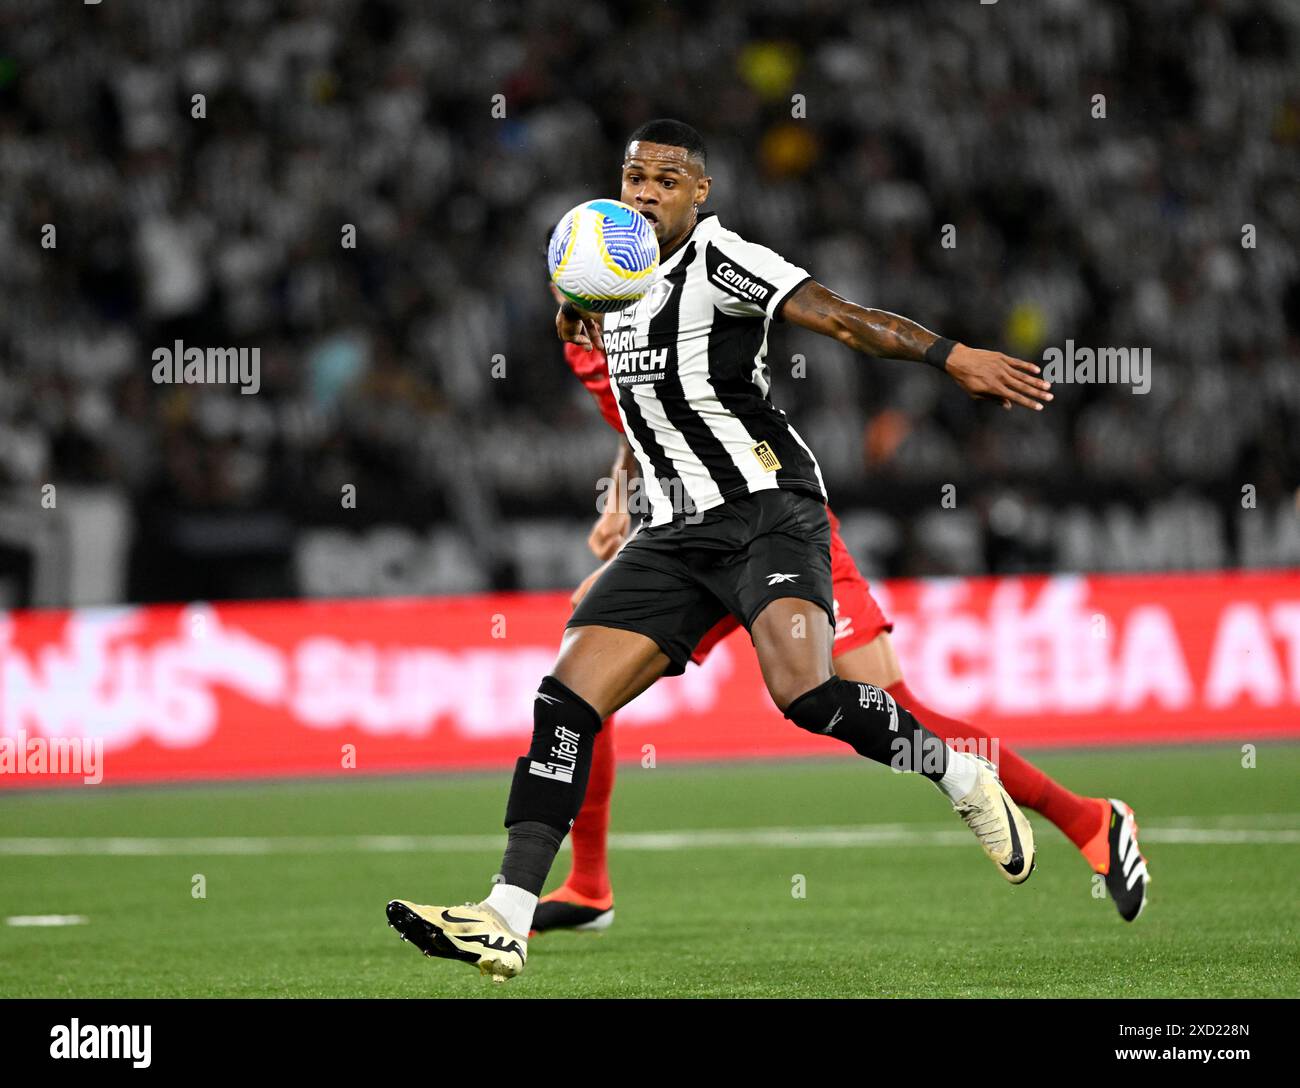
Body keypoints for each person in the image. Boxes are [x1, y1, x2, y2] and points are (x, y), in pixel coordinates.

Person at [387, 118, 1060, 981]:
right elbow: (643, 411)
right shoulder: (607, 282)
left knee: (809, 695)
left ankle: (960, 777)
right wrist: (618, 488)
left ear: (698, 193)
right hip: (673, 535)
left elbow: (844, 320)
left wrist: (951, 354)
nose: (645, 192)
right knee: (565, 703)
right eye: (635, 176)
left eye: (667, 180)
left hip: (767, 511)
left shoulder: (723, 260)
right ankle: (506, 915)